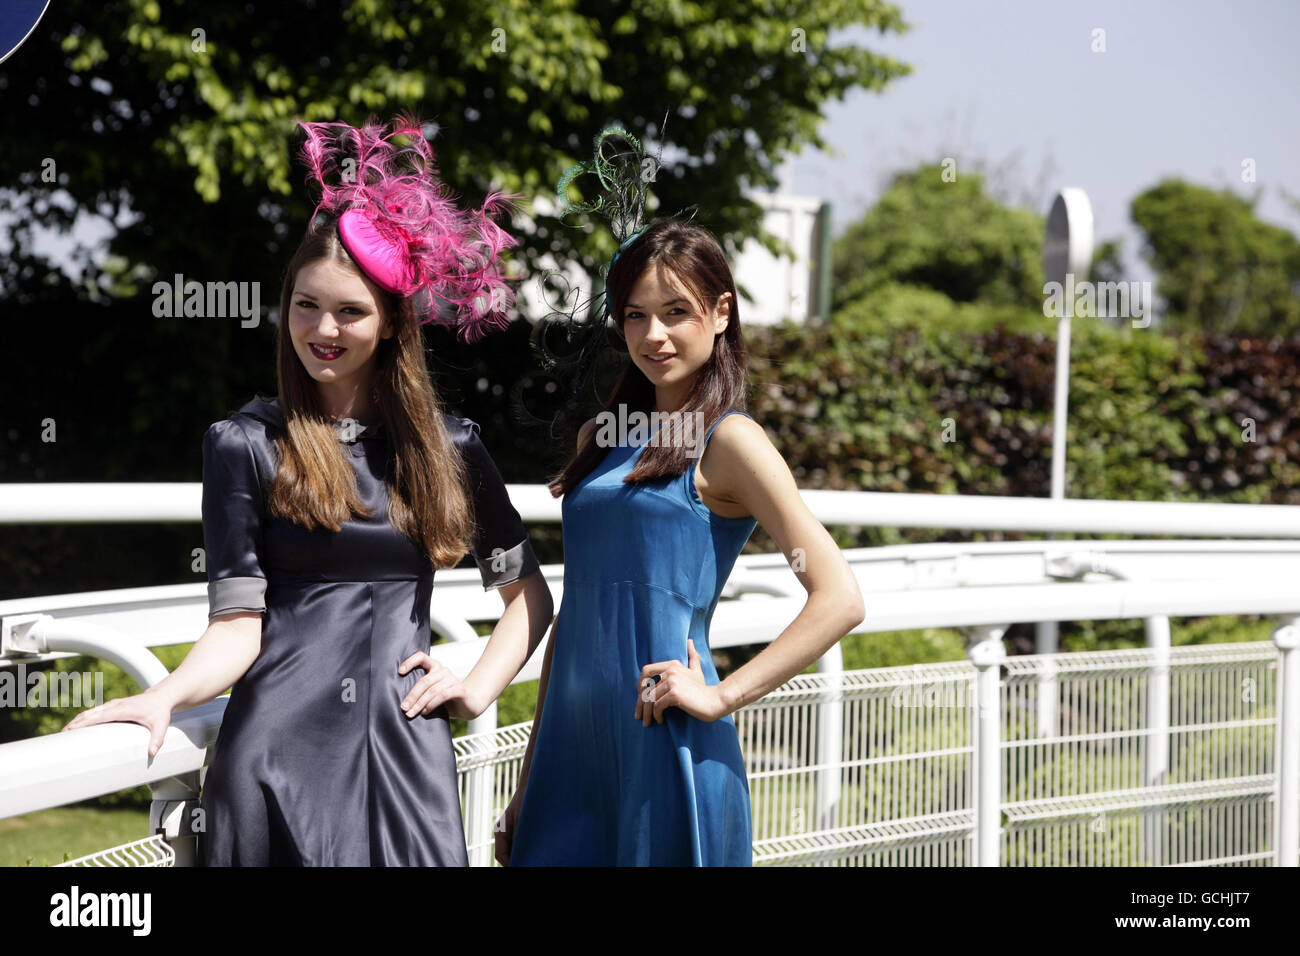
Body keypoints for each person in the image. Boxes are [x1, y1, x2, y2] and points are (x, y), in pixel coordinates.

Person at [63, 114, 554, 866]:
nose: (323, 328)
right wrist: (164, 697)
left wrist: (478, 686)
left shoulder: (451, 448)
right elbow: (236, 627)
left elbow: (526, 597)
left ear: (391, 323)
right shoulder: (243, 447)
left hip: (408, 756)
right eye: (305, 305)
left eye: (350, 311)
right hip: (273, 760)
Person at [497, 214, 865, 866]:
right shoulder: (598, 441)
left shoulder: (732, 442)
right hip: (569, 747)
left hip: (664, 737)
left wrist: (722, 697)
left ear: (722, 312)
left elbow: (838, 596)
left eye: (676, 312)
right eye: (635, 316)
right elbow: (575, 611)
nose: (653, 334)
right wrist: (529, 780)